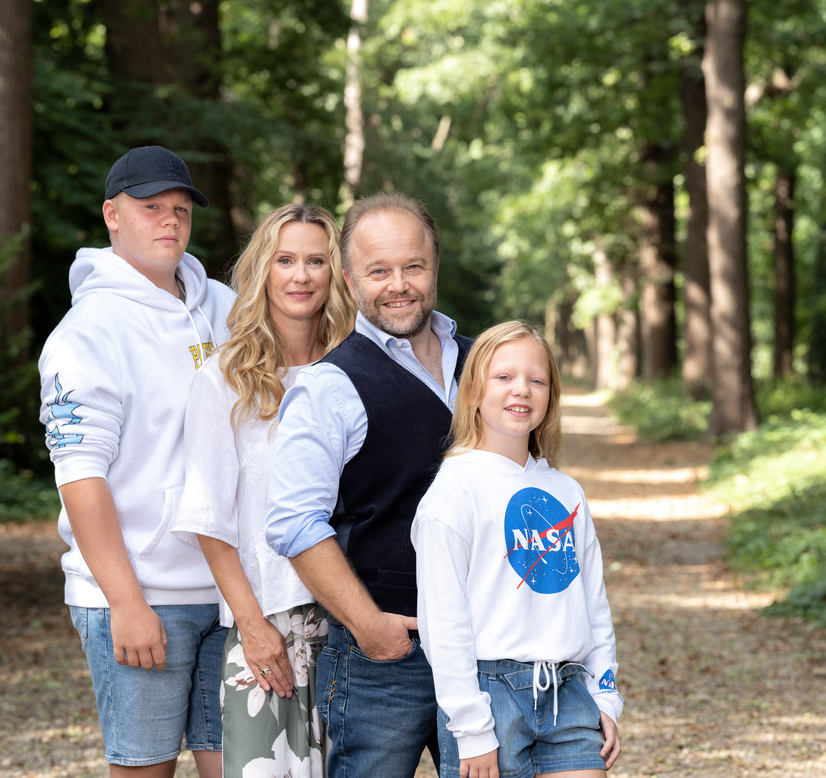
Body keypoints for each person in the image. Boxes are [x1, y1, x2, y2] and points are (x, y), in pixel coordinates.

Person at [38, 145, 235, 778]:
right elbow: (80, 476)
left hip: (232, 595)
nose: (170, 221)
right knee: (146, 769)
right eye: (151, 208)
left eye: (180, 209)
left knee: (242, 768)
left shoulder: (225, 309)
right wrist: (125, 601)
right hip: (142, 596)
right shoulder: (85, 335)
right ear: (112, 216)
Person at [265, 192, 475, 777]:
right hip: (388, 656)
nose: (398, 284)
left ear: (434, 266)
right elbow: (293, 523)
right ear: (350, 279)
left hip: (490, 646)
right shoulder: (329, 386)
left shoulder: (486, 364)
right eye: (378, 270)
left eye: (413, 266)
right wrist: (367, 625)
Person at [171, 204, 355, 777]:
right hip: (268, 624)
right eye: (286, 260)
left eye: (317, 261)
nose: (301, 275)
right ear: (263, 272)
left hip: (351, 621)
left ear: (337, 274)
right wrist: (252, 627)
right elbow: (208, 518)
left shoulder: (355, 373)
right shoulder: (223, 378)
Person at [411, 321, 623, 778]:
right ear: (472, 392)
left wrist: (605, 693)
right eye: (503, 377)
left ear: (550, 397)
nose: (521, 390)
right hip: (491, 697)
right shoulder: (453, 492)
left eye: (537, 379)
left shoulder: (566, 491)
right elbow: (443, 623)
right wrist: (471, 729)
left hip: (568, 691)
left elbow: (593, 603)